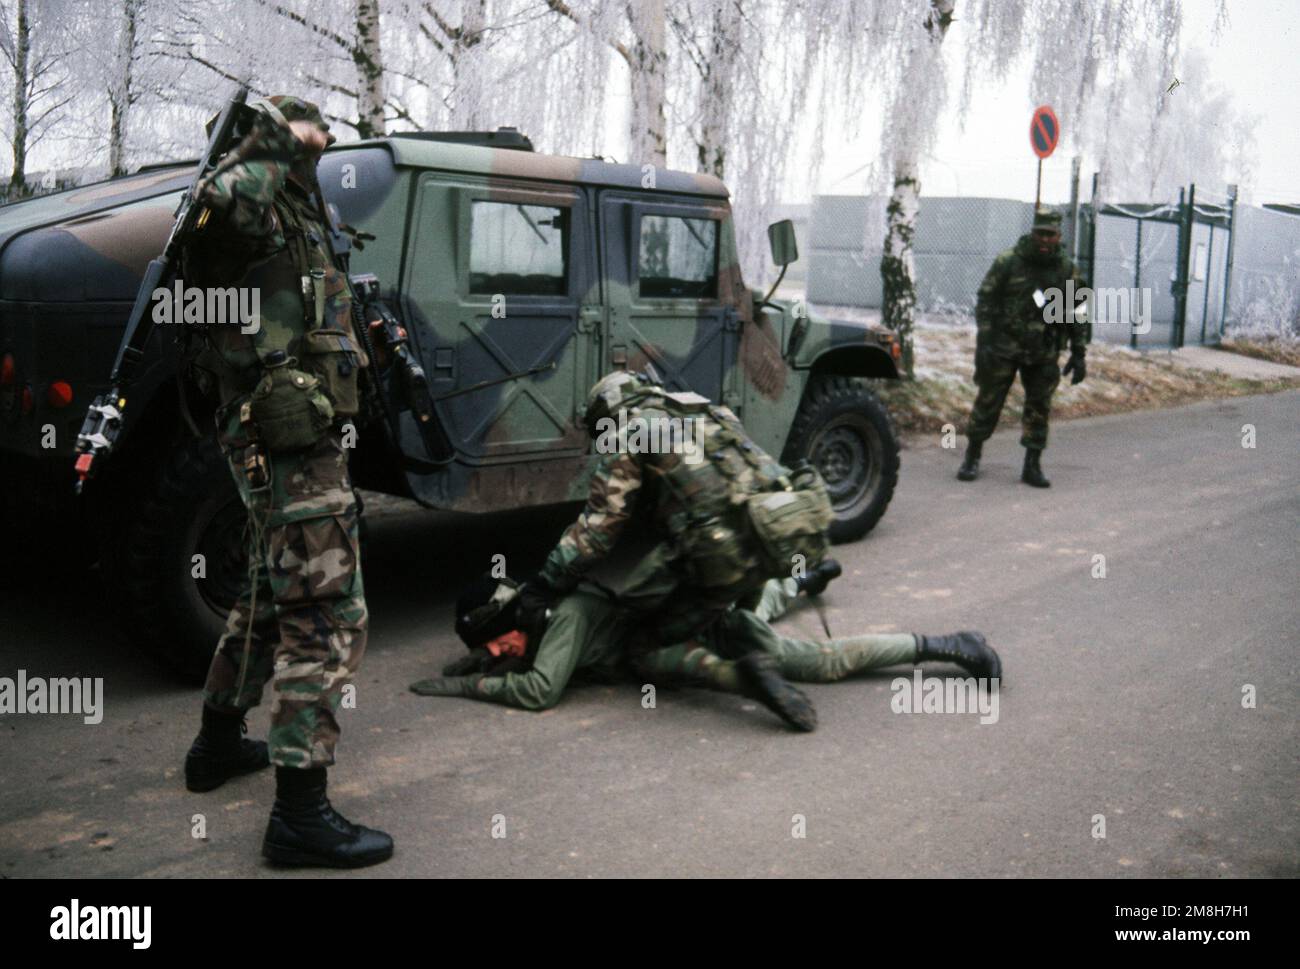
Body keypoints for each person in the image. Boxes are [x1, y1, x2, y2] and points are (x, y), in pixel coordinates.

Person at [179, 95, 391, 869]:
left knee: (271, 589)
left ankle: (217, 741)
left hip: (292, 437)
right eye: (311, 132)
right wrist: (276, 138)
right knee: (325, 611)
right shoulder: (241, 203)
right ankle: (300, 814)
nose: (323, 141)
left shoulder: (294, 212)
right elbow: (219, 202)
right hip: (285, 442)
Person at [514, 368, 835, 720]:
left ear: (610, 412)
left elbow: (596, 531)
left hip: (719, 558)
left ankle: (741, 674)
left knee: (642, 646)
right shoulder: (711, 411)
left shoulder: (631, 433)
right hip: (775, 537)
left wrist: (546, 583)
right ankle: (799, 584)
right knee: (731, 608)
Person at [410, 572, 1002, 731]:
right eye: (488, 650)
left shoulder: (562, 620)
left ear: (518, 617)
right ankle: (802, 579)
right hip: (700, 620)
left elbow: (540, 691)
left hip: (702, 632)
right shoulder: (543, 613)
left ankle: (950, 645)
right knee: (759, 613)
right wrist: (479, 660)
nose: (496, 652)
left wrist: (462, 686)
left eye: (496, 639)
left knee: (818, 661)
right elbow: (515, 656)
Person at [958, 207, 1090, 487]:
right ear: (1032, 233)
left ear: (1058, 236)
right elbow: (986, 299)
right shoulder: (1009, 261)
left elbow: (1077, 311)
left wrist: (1079, 353)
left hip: (1043, 350)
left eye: (1050, 235)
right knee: (988, 401)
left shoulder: (1066, 269)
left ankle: (1032, 465)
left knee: (1039, 406)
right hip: (1004, 347)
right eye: (1040, 233)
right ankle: (972, 456)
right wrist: (985, 339)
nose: (1044, 240)